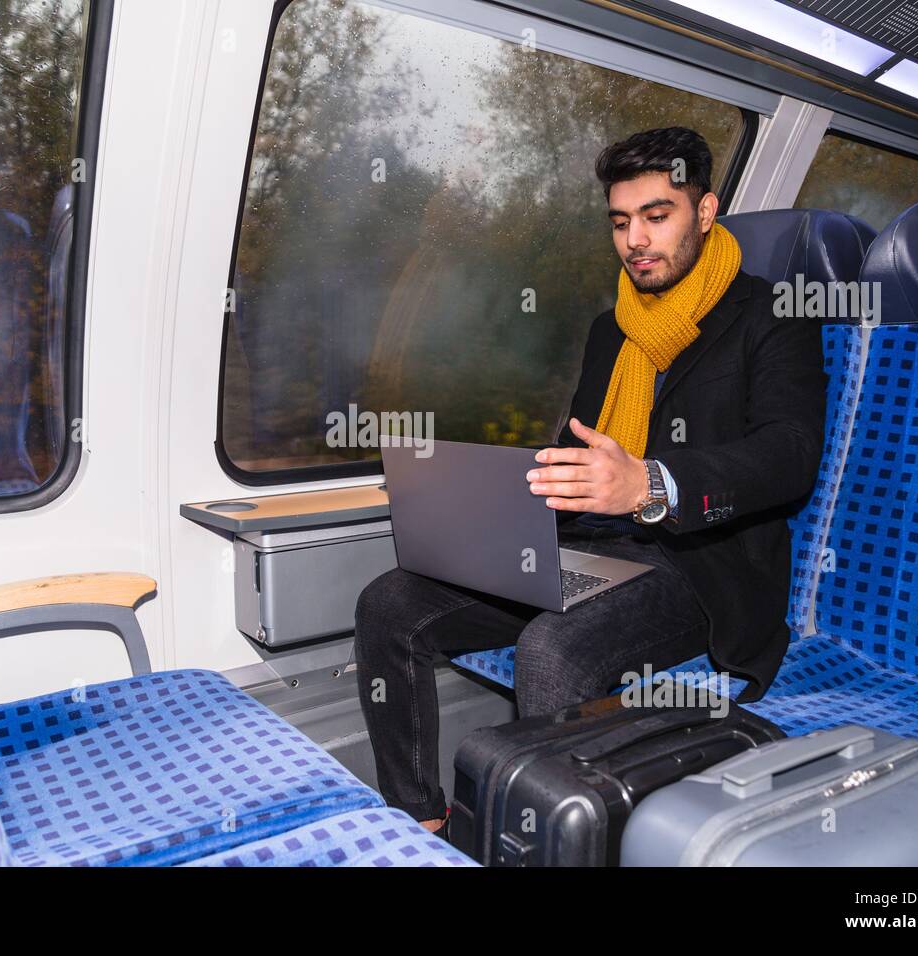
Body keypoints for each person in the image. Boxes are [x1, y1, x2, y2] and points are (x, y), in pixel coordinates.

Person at [352, 126, 828, 836]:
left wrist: (651, 485)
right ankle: (420, 823)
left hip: (699, 566)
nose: (635, 239)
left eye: (657, 215)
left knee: (552, 646)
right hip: (593, 543)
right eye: (620, 222)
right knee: (390, 601)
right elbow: (579, 451)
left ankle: (552, 840)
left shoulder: (772, 316)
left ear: (704, 212)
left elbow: (788, 456)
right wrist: (472, 502)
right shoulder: (613, 329)